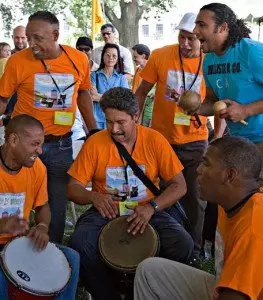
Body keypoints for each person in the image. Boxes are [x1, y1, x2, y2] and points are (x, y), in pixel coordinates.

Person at [67, 87, 193, 300]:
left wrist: (151, 207)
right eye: (108, 122)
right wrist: (93, 197)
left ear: (135, 117)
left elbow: (179, 186)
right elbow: (72, 188)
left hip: (147, 209)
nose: (114, 129)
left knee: (182, 243)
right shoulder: (96, 143)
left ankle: (146, 290)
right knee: (80, 244)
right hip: (105, 211)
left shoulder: (154, 140)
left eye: (121, 123)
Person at [0, 11, 97, 243]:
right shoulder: (17, 61)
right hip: (23, 146)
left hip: (61, 144)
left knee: (56, 205)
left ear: (55, 35)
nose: (31, 44)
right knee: (14, 202)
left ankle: (49, 253)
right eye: (28, 38)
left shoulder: (78, 59)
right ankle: (11, 249)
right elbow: (3, 99)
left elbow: (83, 93)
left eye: (37, 38)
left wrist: (92, 130)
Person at [134, 136, 263, 300]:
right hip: (223, 289)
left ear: (230, 175)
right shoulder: (232, 202)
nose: (198, 170)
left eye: (206, 163)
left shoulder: (254, 227)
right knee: (149, 272)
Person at [135, 12, 208, 259]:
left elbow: (219, 105)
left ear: (200, 37)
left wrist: (216, 138)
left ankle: (194, 252)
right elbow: (142, 90)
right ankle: (160, 247)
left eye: (191, 39)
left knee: (196, 200)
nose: (185, 44)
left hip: (196, 142)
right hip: (161, 140)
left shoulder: (210, 62)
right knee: (159, 196)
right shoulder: (161, 55)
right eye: (181, 37)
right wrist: (135, 119)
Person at [0, 114, 80, 300]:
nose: (41, 151)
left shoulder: (38, 169)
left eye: (41, 144)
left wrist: (43, 226)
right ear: (13, 140)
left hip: (20, 242)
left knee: (72, 258)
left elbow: (43, 207)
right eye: (35, 144)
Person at [193, 3, 263, 177]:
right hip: (240, 143)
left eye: (202, 25)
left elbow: (241, 110)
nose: (195, 30)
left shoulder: (251, 51)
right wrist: (197, 108)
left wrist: (245, 110)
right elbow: (214, 101)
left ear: (222, 27)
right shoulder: (208, 60)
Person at [91, 43, 129, 129]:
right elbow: (93, 96)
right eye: (107, 55)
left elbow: (124, 100)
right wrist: (115, 98)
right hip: (97, 120)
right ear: (103, 56)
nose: (111, 58)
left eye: (114, 56)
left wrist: (99, 96)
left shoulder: (121, 78)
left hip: (116, 121)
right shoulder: (94, 75)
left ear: (117, 58)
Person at [132, 44, 154, 127]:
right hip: (138, 109)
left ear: (143, 56)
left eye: (135, 57)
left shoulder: (154, 70)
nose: (134, 59)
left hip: (149, 113)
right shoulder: (137, 70)